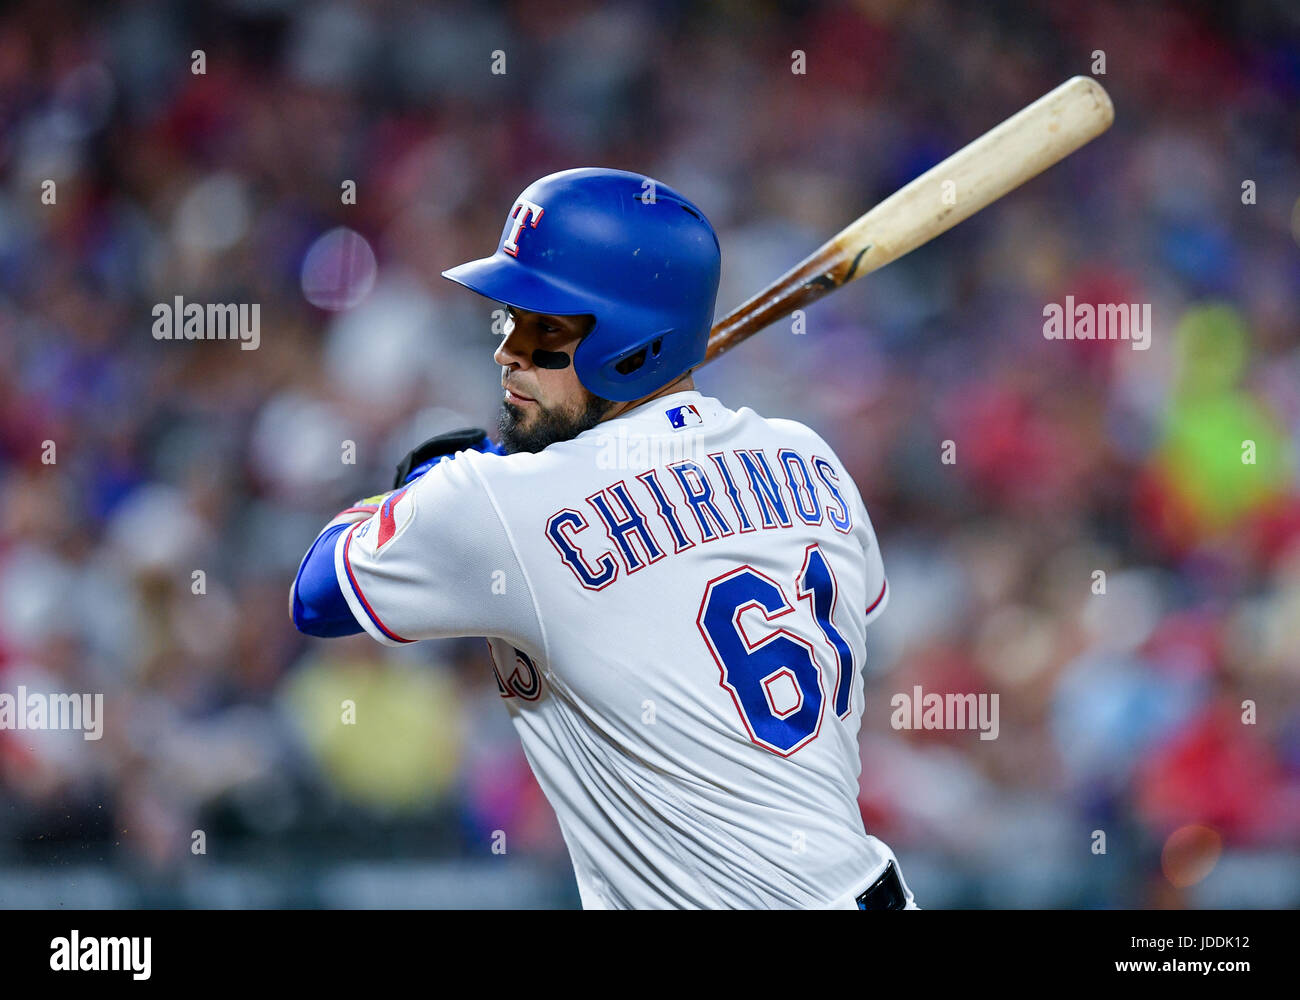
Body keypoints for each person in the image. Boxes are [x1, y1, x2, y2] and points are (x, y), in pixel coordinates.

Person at [290, 167, 918, 909]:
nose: (509, 349)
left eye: (546, 327)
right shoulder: (810, 455)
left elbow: (318, 593)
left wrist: (433, 482)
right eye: (515, 317)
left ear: (631, 341)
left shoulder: (497, 502)